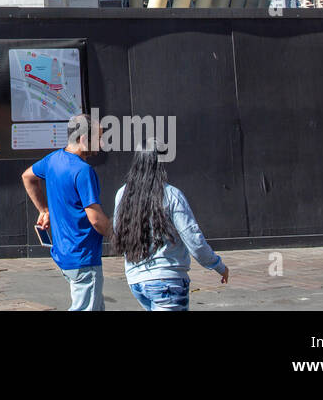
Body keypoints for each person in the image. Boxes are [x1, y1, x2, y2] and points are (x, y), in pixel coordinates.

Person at [111, 142, 229, 311]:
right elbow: (193, 239)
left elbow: (119, 232)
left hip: (136, 280)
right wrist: (218, 266)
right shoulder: (171, 195)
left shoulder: (122, 194)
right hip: (167, 281)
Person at [21, 114, 112, 311]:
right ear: (83, 139)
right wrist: (121, 235)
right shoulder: (83, 171)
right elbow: (96, 219)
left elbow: (27, 176)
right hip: (83, 257)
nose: (101, 143)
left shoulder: (53, 160)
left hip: (64, 254)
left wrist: (44, 210)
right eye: (98, 137)